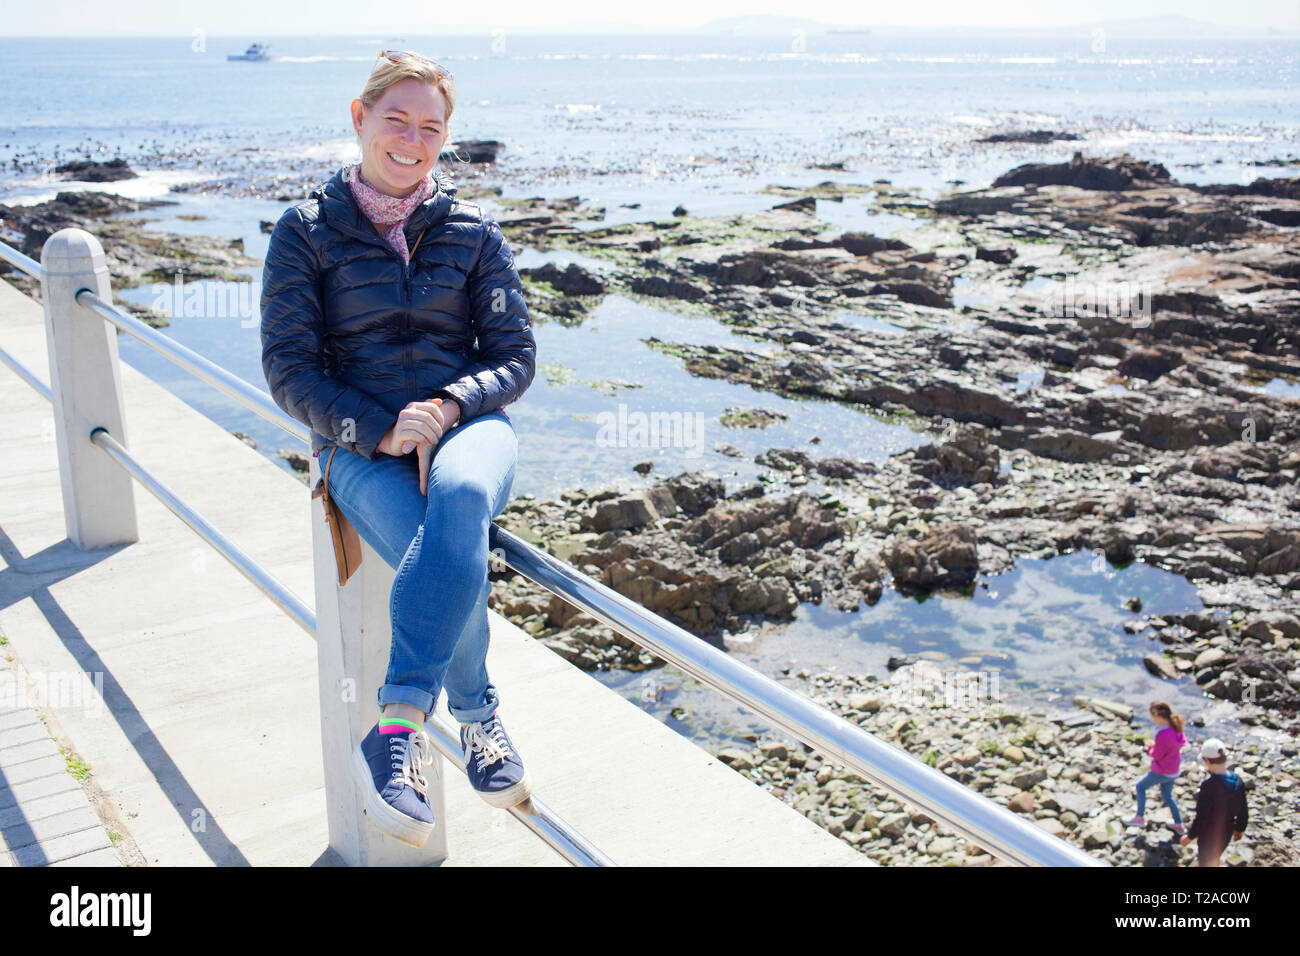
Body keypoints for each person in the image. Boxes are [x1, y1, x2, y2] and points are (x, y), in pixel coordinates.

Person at [260, 49, 537, 848]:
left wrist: (450, 403)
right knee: (441, 550)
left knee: (458, 502)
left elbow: (514, 355)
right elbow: (289, 369)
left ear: (446, 137)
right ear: (359, 117)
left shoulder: (473, 232)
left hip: (470, 429)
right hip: (360, 449)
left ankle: (396, 727)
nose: (412, 141)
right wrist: (382, 428)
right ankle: (480, 718)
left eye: (431, 127)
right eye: (397, 120)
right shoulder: (305, 234)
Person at [1180, 738, 1249, 867]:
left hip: (1209, 834)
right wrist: (1240, 827)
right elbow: (1243, 807)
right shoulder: (1237, 781)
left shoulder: (1208, 786)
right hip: (1227, 831)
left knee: (1206, 860)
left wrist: (1190, 836)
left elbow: (1202, 817)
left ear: (1207, 761)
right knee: (1215, 855)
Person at [1127, 700, 1186, 834]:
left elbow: (1157, 755)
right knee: (1167, 796)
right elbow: (1172, 746)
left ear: (1158, 716)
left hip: (1162, 771)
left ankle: (1139, 817)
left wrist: (1150, 747)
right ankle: (1179, 825)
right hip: (1174, 769)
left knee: (1140, 787)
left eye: (1153, 717)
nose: (1153, 720)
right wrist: (1155, 744)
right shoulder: (1176, 728)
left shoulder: (1162, 734)